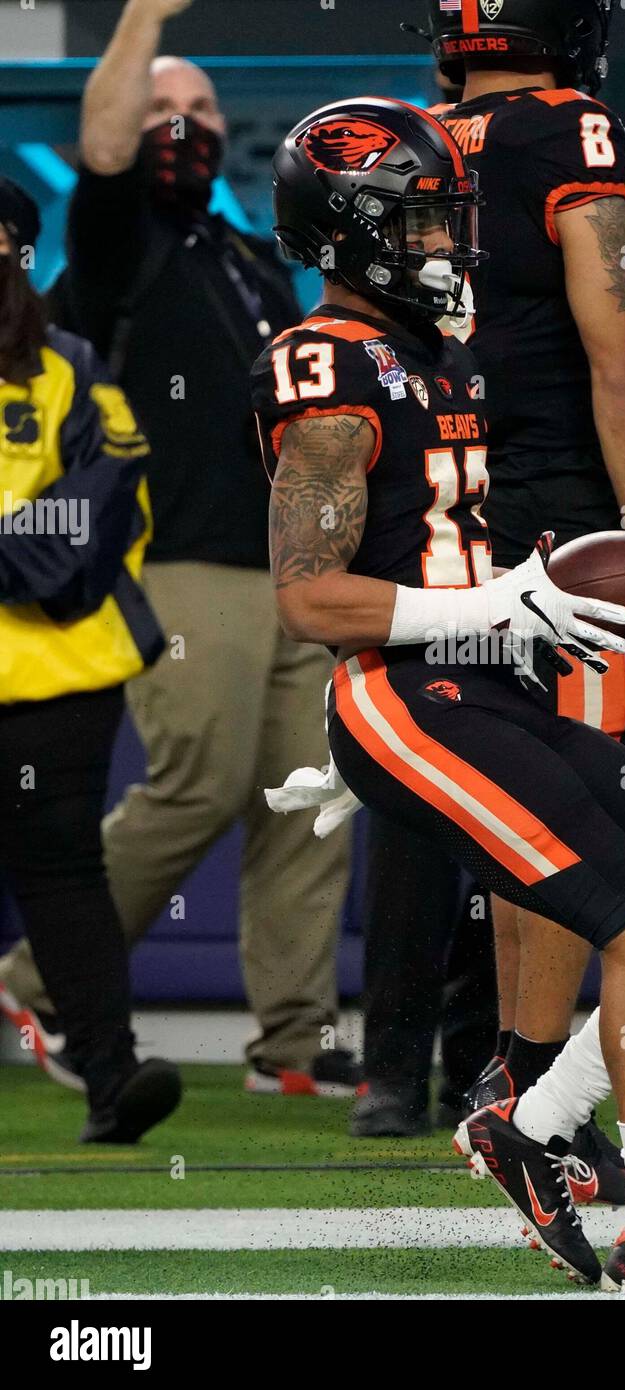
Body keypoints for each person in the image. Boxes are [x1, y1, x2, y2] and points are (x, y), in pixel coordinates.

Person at [251, 95, 625, 1293]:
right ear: (356, 232)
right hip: (412, 696)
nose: (453, 243)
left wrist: (588, 589)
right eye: (429, 220)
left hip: (485, 688)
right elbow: (308, 596)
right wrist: (486, 618)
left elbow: (445, 553)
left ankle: (529, 1122)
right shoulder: (323, 363)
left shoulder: (442, 361)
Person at [0, 0, 354, 1097]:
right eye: (164, 107)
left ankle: (291, 1042)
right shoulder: (114, 243)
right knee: (198, 782)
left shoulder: (247, 255)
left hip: (288, 563)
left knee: (311, 795)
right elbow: (105, 149)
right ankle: (42, 981)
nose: (184, 124)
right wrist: (142, 23)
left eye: (202, 108)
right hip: (176, 559)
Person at [0, 176, 181, 1143]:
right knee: (65, 874)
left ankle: (112, 1079)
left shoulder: (70, 371)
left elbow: (95, 528)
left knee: (63, 873)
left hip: (59, 674)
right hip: (53, 655)